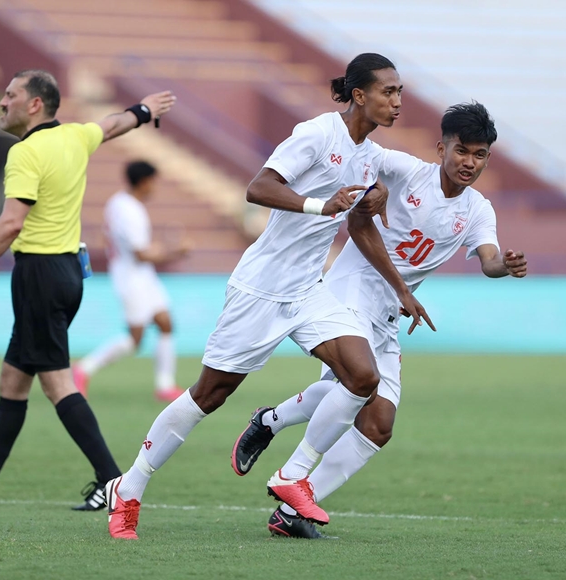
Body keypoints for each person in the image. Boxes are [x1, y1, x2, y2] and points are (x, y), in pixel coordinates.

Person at [105, 53, 432, 540]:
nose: (398, 101)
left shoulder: (369, 154)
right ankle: (128, 488)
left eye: (401, 92)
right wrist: (324, 205)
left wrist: (398, 284)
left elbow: (359, 223)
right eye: (389, 91)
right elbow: (258, 188)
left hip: (308, 289)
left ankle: (292, 476)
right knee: (209, 396)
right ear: (360, 95)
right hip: (260, 288)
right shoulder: (317, 134)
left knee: (364, 375)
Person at [232, 102, 528, 538]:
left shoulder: (478, 210)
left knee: (378, 425)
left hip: (389, 312)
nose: (468, 163)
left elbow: (488, 260)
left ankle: (285, 480)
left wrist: (507, 265)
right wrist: (366, 187)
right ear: (441, 146)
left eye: (479, 155)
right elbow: (359, 162)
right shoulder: (404, 170)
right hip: (349, 292)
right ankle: (290, 473)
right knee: (356, 381)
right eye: (461, 150)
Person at [0, 69, 177, 511]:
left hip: (40, 276)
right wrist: (144, 110)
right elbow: (115, 123)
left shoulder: (25, 153)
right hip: (65, 273)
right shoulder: (75, 136)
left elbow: (11, 222)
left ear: (34, 104)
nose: (2, 102)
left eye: (10, 95)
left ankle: (112, 483)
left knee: (58, 384)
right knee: (14, 378)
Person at [72, 160, 191, 402]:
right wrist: (174, 251)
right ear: (145, 181)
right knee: (135, 339)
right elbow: (140, 253)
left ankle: (165, 385)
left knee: (165, 322)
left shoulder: (121, 203)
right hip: (131, 276)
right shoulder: (128, 210)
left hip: (141, 274)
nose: (155, 187)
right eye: (153, 182)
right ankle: (83, 369)